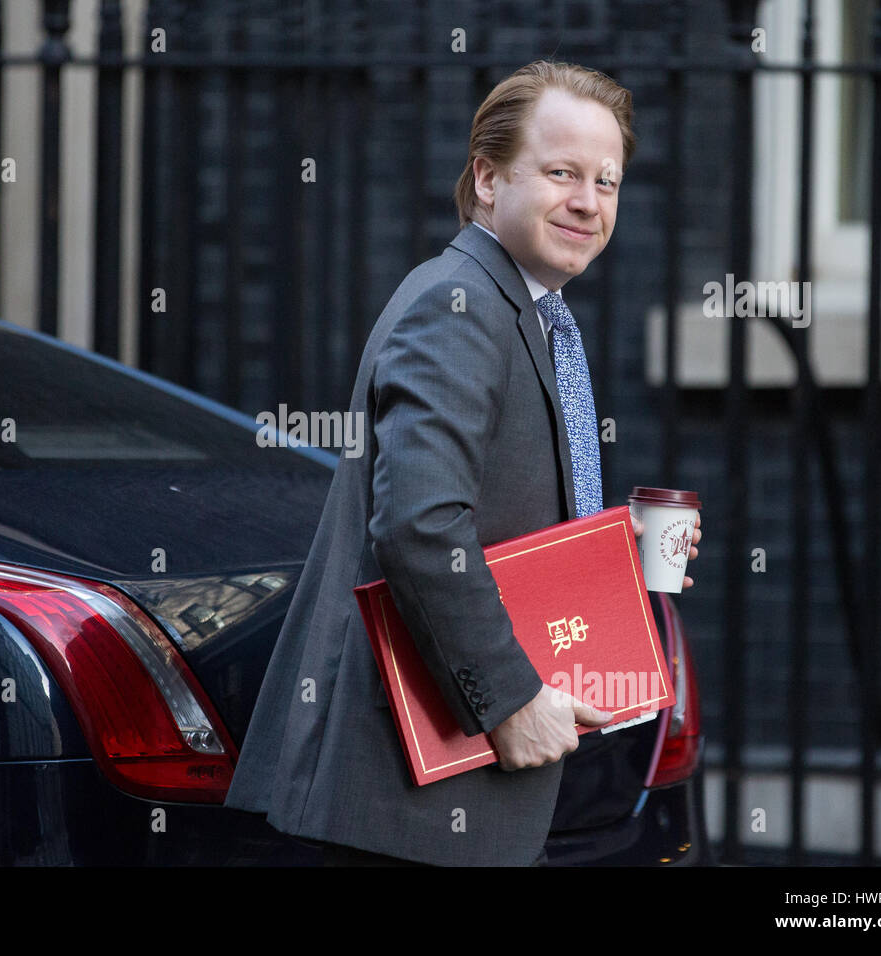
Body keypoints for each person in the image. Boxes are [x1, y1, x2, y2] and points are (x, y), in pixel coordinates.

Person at [224, 60, 702, 866]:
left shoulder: (520, 309)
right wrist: (511, 701)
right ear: (487, 179)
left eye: (607, 181)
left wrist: (616, 553)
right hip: (406, 800)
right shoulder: (462, 308)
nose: (589, 201)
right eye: (561, 173)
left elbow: (494, 505)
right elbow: (419, 523)